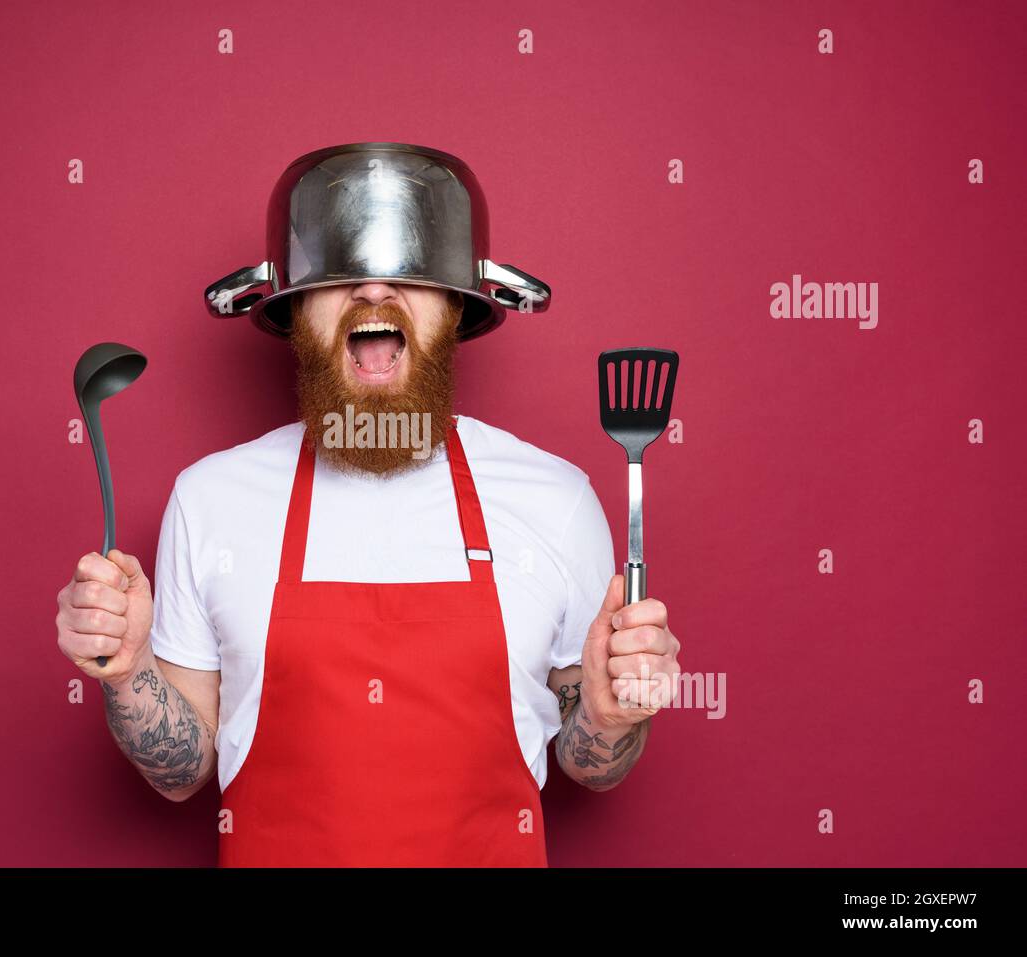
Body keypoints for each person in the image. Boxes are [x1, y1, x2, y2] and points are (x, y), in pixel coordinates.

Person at [54, 144, 682, 867]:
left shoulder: (556, 497)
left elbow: (589, 762)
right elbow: (181, 770)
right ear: (293, 312)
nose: (375, 294)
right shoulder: (210, 497)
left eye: (409, 273)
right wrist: (129, 670)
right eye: (341, 273)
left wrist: (611, 713)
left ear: (456, 308)